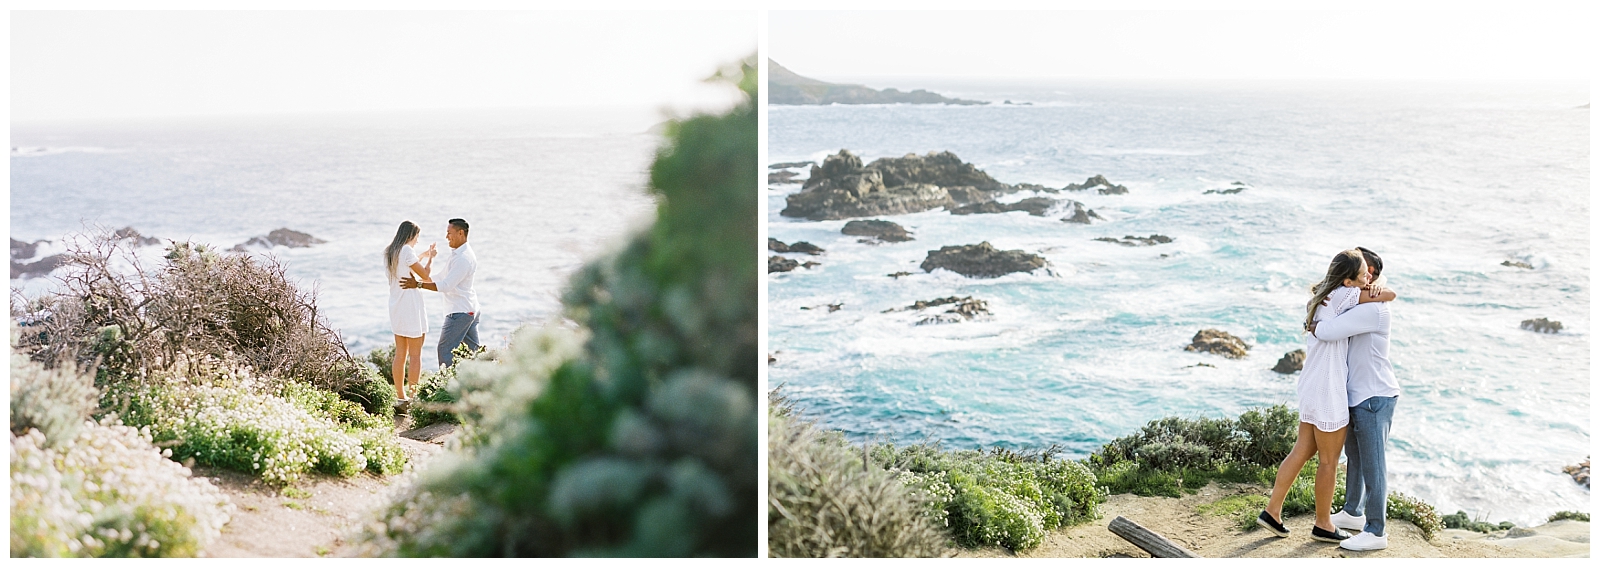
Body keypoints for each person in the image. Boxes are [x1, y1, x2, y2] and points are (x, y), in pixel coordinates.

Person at [1258, 249, 1394, 543]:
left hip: (1309, 382)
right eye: (1361, 277)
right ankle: (1323, 524)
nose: (1366, 281)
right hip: (1330, 386)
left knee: (1302, 451)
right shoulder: (1345, 296)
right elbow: (1390, 297)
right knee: (1329, 461)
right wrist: (1377, 289)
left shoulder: (1320, 295)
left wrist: (1365, 284)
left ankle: (1272, 511)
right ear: (1347, 280)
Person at [1311, 247, 1400, 552]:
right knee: (1357, 460)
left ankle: (1376, 531)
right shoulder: (1361, 299)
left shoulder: (1373, 308)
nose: (1363, 275)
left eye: (1366, 270)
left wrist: (1313, 324)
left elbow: (1329, 331)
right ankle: (1353, 512)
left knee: (1373, 465)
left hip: (1375, 395)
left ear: (1372, 274)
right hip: (1358, 394)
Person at [400, 218, 479, 368]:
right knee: (474, 352)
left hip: (460, 312)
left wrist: (418, 284)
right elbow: (440, 277)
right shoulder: (457, 254)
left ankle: (446, 387)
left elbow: (446, 285)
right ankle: (483, 382)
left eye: (449, 233)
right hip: (468, 309)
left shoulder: (463, 258)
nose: (446, 237)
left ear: (460, 233)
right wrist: (420, 279)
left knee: (445, 349)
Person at [384, 220, 436, 405]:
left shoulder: (391, 251)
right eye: (417, 236)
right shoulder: (407, 250)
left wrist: (422, 255)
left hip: (397, 306)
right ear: (411, 235)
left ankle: (400, 396)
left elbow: (408, 266)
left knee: (400, 354)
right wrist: (430, 259)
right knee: (415, 355)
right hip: (411, 307)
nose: (417, 240)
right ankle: (413, 398)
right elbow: (426, 276)